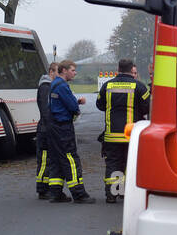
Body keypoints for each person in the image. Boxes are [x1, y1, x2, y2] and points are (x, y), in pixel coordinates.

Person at [96, 58, 150, 203]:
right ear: (131, 68)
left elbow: (100, 105)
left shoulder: (107, 86)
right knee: (130, 164)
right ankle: (125, 193)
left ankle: (112, 194)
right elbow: (148, 107)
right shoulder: (139, 86)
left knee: (114, 163)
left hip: (111, 135)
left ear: (118, 68)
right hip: (131, 135)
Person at [47, 59, 93, 203]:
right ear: (64, 70)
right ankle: (79, 194)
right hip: (63, 127)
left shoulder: (54, 84)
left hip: (53, 126)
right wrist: (77, 105)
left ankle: (55, 192)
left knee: (56, 159)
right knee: (71, 159)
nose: (75, 73)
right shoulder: (62, 86)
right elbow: (72, 106)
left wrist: (74, 103)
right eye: (73, 70)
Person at [34, 62, 60, 199]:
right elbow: (45, 110)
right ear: (51, 72)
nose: (59, 75)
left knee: (49, 159)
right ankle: (42, 189)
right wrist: (50, 126)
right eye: (58, 72)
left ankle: (47, 187)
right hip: (45, 129)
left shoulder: (50, 86)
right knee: (44, 160)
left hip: (48, 127)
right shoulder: (45, 87)